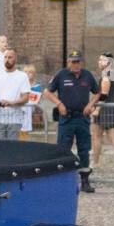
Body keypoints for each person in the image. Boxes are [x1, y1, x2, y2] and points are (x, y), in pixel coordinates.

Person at [45, 50, 101, 193]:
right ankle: (62, 180)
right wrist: (59, 104)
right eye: (73, 62)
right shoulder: (61, 74)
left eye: (78, 62)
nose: (75, 64)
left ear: (81, 62)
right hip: (67, 118)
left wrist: (91, 104)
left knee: (84, 150)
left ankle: (84, 181)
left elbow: (97, 92)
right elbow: (47, 92)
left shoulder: (87, 75)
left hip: (82, 118)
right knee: (63, 149)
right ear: (68, 62)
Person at [0, 48, 31, 141]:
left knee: (13, 149)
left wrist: (11, 103)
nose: (7, 59)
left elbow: (26, 97)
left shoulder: (22, 76)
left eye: (10, 57)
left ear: (15, 59)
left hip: (15, 118)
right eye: (5, 57)